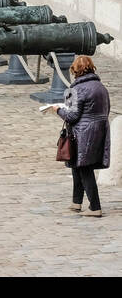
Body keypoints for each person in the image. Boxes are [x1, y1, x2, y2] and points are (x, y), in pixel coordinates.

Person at [50, 56, 111, 217]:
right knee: (77, 166)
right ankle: (76, 202)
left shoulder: (75, 90)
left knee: (84, 168)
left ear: (75, 71)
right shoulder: (101, 87)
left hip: (82, 133)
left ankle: (95, 207)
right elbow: (106, 110)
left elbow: (71, 116)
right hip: (100, 130)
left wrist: (57, 110)